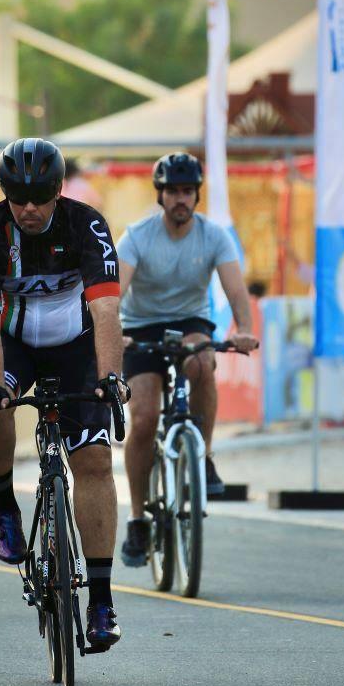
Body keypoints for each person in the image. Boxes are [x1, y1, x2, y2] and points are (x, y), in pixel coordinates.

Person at [0, 136, 129, 652]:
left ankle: (100, 602)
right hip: (13, 344)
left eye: (40, 197)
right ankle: (3, 504)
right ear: (5, 193)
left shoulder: (87, 224)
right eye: (19, 197)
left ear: (59, 190)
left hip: (76, 345)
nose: (30, 208)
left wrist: (110, 378)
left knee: (96, 463)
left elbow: (106, 314)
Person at [116, 153, 258, 567]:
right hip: (140, 326)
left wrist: (244, 328)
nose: (180, 199)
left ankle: (204, 456)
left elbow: (234, 288)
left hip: (191, 320)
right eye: (172, 192)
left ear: (196, 196)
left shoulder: (214, 236)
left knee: (202, 363)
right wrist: (116, 334)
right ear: (160, 196)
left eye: (187, 192)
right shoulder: (138, 236)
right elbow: (117, 288)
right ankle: (138, 517)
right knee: (142, 419)